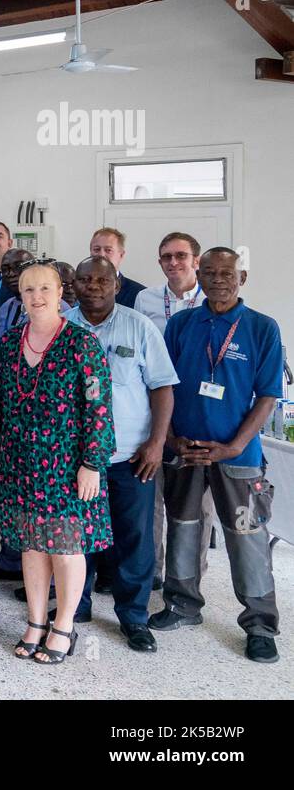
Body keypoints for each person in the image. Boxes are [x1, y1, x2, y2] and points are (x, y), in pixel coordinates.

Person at [152, 247, 283, 664]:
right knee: (184, 529)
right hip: (186, 452)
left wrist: (235, 446)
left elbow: (267, 397)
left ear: (241, 278)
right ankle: (182, 605)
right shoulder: (182, 323)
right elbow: (163, 385)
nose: (217, 279)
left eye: (227, 272)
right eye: (208, 271)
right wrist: (171, 439)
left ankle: (260, 624)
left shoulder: (262, 328)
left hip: (238, 457)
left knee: (247, 537)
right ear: (199, 275)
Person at [0, 262, 114, 665]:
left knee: (65, 549)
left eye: (44, 288)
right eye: (28, 290)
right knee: (32, 548)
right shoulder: (11, 341)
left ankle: (63, 625)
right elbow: (5, 404)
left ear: (61, 292)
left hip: (67, 466)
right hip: (20, 462)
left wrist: (93, 463)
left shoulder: (83, 343)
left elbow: (99, 408)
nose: (36, 297)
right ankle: (34, 622)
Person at [66, 256, 177, 652]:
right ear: (73, 285)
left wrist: (156, 444)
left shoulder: (140, 326)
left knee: (134, 538)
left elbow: (162, 388)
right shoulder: (61, 326)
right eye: (85, 279)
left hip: (131, 456)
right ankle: (74, 607)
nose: (93, 286)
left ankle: (133, 617)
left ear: (117, 283)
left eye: (102, 280)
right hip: (73, 459)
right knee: (76, 535)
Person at [133, 231, 213, 588]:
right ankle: (151, 573)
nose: (173, 262)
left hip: (197, 414)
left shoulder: (214, 299)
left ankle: (188, 580)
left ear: (196, 260)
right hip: (152, 413)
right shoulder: (145, 299)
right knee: (150, 502)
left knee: (193, 508)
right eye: (166, 257)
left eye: (181, 256)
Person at [90, 228, 146, 309]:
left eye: (108, 250)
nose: (101, 255)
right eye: (96, 249)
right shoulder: (79, 289)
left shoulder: (139, 294)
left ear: (121, 255)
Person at [0, 247, 36, 339]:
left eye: (18, 267)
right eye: (5, 269)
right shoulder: (5, 308)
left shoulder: (55, 305)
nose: (11, 274)